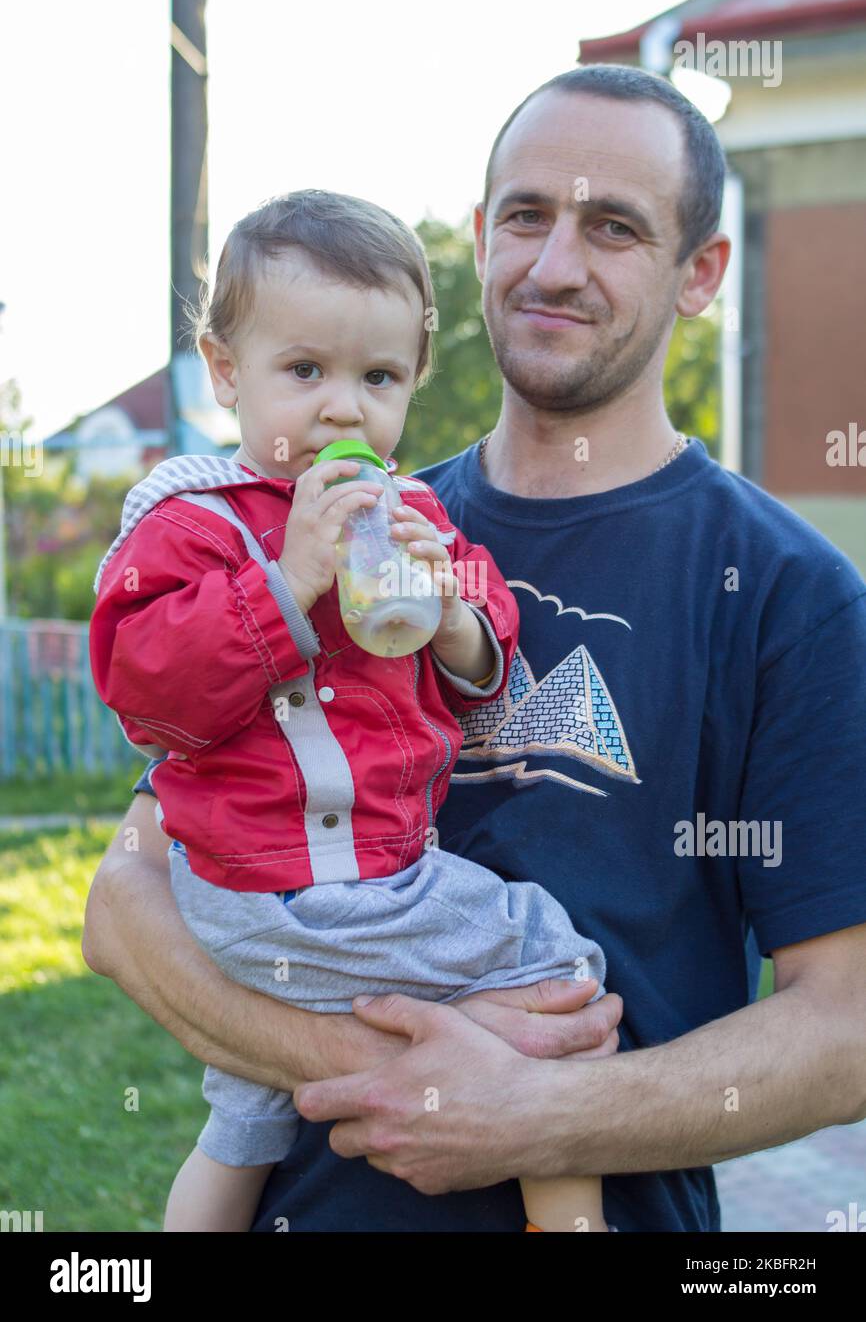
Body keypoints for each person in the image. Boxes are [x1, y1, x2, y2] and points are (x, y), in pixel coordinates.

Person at [83, 64, 866, 1234]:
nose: (554, 265)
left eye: (611, 227)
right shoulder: (314, 525)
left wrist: (539, 1114)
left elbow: (843, 1028)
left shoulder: (790, 595)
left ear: (698, 271)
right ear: (481, 236)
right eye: (524, 216)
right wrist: (384, 1072)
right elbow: (126, 899)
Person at [88, 188, 613, 1233]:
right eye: (304, 372)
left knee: (243, 1111)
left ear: (414, 381)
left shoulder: (410, 513)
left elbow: (490, 652)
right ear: (226, 373)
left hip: (305, 902)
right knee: (556, 969)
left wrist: (450, 612)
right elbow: (148, 692)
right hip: (299, 887)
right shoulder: (192, 523)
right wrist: (286, 580)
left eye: (376, 378)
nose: (341, 409)